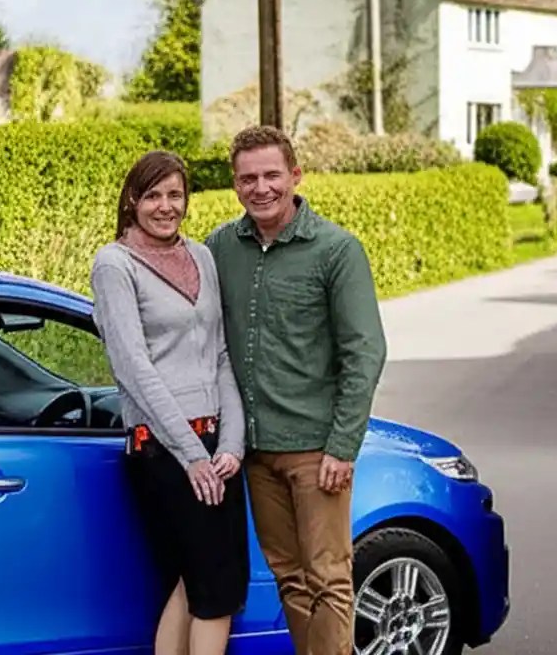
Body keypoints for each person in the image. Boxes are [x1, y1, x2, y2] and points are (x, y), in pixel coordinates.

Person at [205, 125, 388, 655]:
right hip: (256, 452)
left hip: (316, 451)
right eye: (248, 178)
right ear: (235, 185)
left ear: (295, 176)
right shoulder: (221, 247)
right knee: (289, 578)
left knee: (328, 578)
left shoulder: (336, 250)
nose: (260, 188)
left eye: (271, 175)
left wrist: (342, 446)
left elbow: (365, 352)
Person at [90, 150, 251, 655]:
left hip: (212, 448)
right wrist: (192, 455)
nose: (165, 206)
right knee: (215, 587)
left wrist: (231, 443)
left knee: (194, 582)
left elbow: (222, 354)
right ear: (132, 200)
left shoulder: (201, 256)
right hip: (163, 450)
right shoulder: (114, 264)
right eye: (153, 195)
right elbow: (134, 368)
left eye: (175, 195)